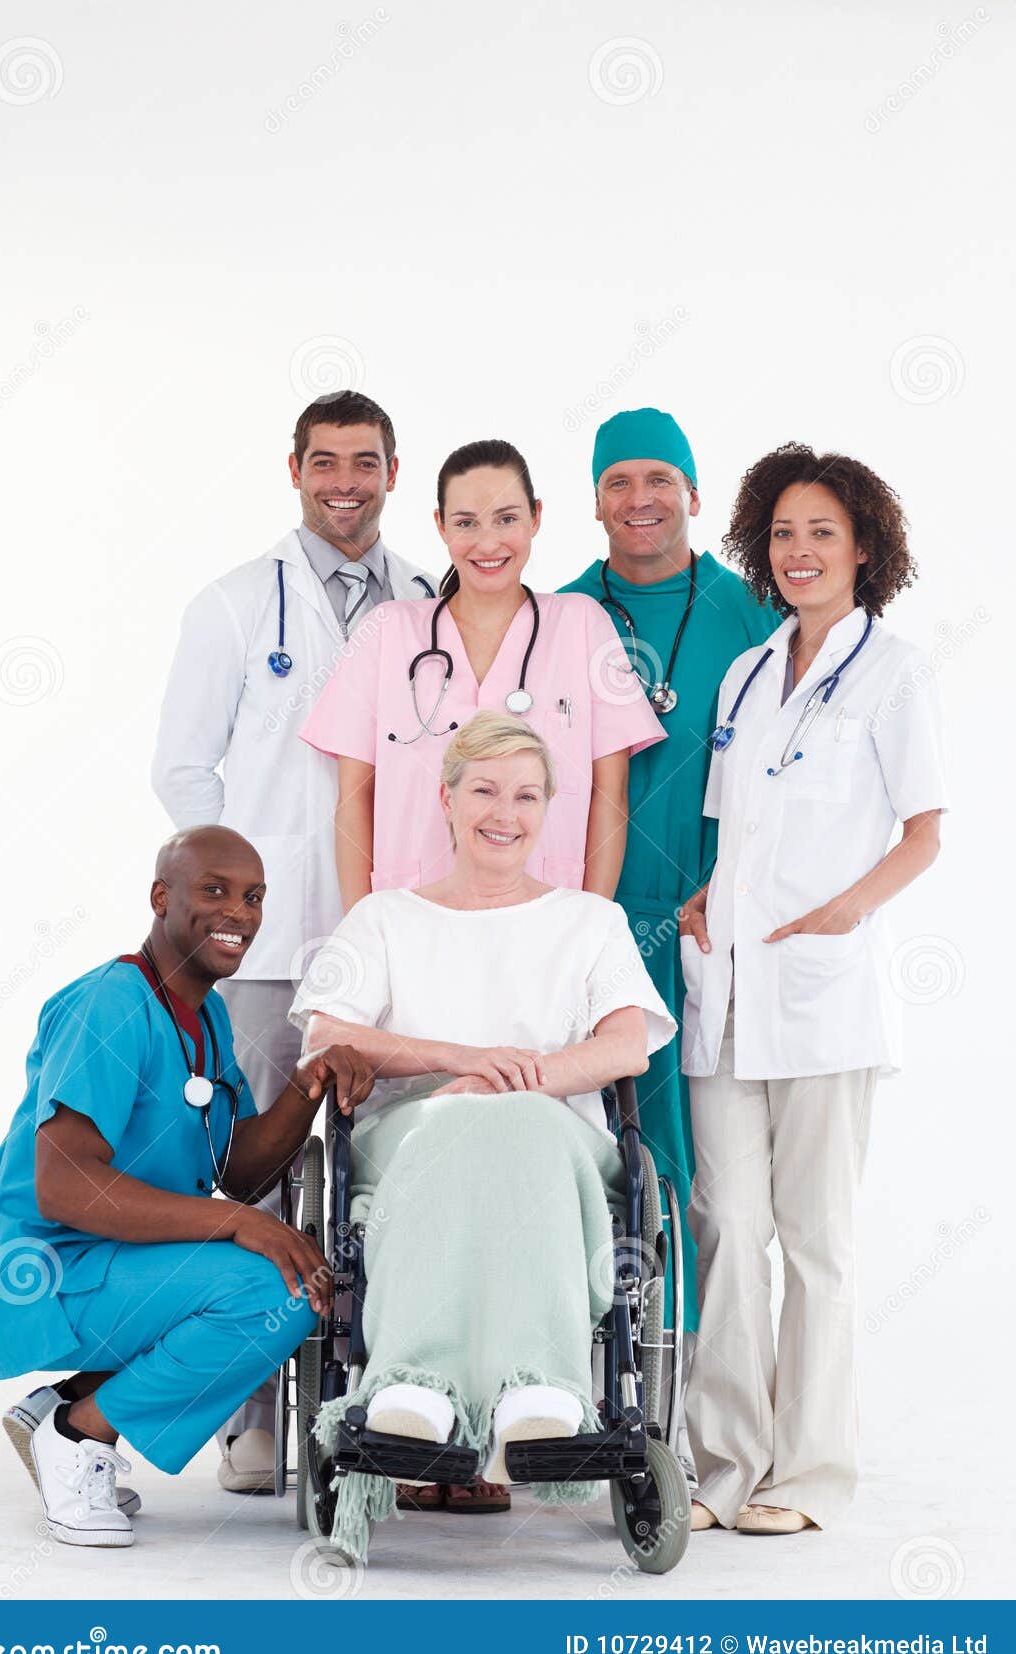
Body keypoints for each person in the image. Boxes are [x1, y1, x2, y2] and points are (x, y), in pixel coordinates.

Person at [290, 712, 676, 1559]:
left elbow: (626, 1044)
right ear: (446, 799)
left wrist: (516, 1080)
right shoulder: (385, 918)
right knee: (457, 1123)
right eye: (485, 791)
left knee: (514, 1124)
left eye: (526, 796)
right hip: (414, 1139)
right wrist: (460, 1062)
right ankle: (416, 1389)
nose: (505, 813)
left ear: (548, 808)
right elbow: (325, 1032)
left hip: (554, 1143)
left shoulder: (588, 920)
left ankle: (534, 1391)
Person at [151, 389, 433, 1490]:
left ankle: (395, 1405)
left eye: (364, 462)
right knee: (254, 1176)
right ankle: (252, 1418)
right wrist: (234, 891)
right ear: (295, 469)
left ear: (392, 471)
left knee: (393, 1168)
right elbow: (183, 769)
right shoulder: (233, 605)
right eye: (325, 462)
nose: (344, 483)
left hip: (392, 935)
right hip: (265, 953)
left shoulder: (426, 601)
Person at [0, 826, 374, 1548]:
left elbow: (237, 1171)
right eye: (214, 890)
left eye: (253, 897)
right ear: (161, 897)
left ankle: (66, 1405)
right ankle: (77, 1433)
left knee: (287, 1280)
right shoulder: (109, 1004)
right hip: (46, 1267)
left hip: (114, 1262)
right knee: (276, 1290)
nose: (239, 913)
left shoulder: (206, 1015)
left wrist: (307, 1085)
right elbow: (65, 1189)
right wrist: (238, 1224)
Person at [679, 443, 946, 1535]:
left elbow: (923, 834)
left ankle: (805, 1475)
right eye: (782, 532)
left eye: (821, 533)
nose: (798, 551)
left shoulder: (895, 671)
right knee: (726, 1233)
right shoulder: (747, 673)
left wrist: (843, 912)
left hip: (823, 995)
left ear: (863, 548)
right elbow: (733, 828)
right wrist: (705, 898)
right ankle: (724, 1466)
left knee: (815, 1243)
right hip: (728, 989)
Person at [560, 407, 781, 1367]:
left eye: (659, 479)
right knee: (606, 1166)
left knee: (712, 1182)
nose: (639, 498)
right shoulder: (561, 615)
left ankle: (686, 1386)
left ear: (693, 491)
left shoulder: (753, 614)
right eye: (618, 481)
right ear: (594, 500)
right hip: (590, 930)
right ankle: (591, 1377)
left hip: (713, 930)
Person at [301, 439, 663, 910]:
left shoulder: (582, 625)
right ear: (441, 525)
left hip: (547, 917)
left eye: (507, 519)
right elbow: (353, 800)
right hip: (410, 915)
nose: (488, 543)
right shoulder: (386, 632)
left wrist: (590, 926)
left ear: (536, 516)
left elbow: (610, 796)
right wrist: (362, 929)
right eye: (466, 522)